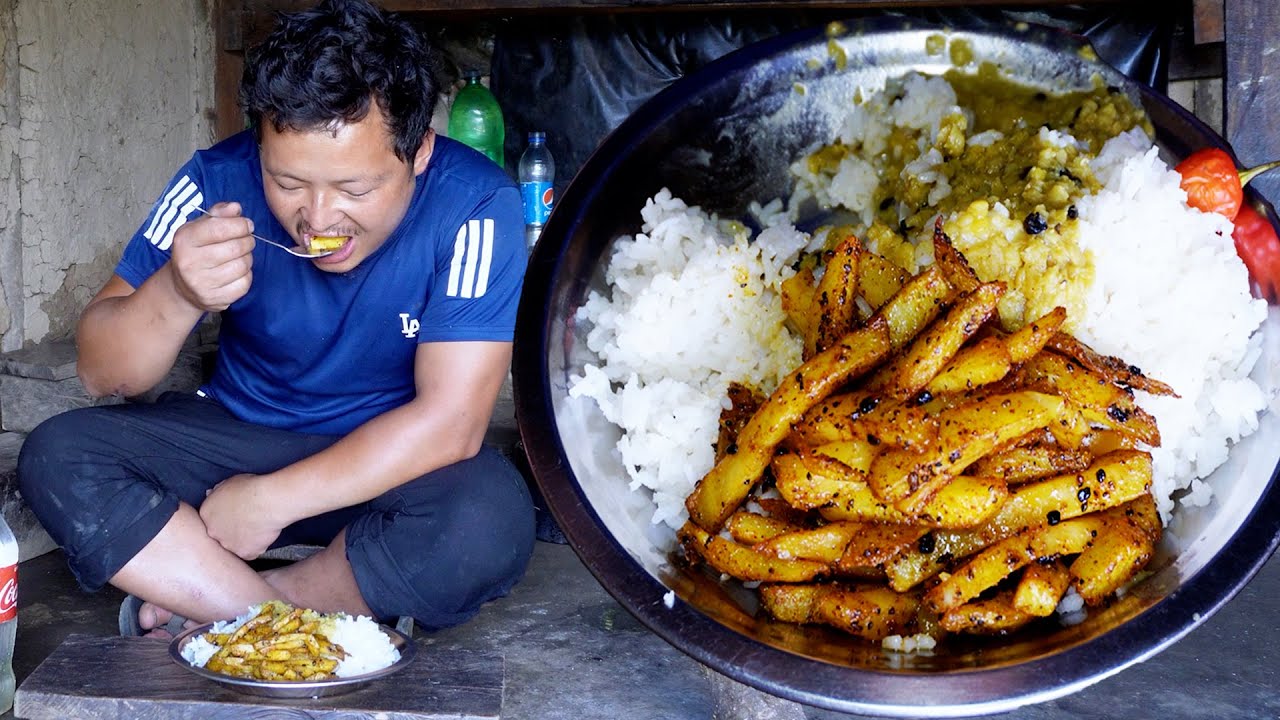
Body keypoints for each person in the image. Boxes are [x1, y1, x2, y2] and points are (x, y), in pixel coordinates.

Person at [17, 0, 534, 637]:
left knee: (488, 516)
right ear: (260, 141)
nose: (318, 219)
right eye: (287, 182)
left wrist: (270, 500)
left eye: (355, 190)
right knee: (57, 453)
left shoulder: (476, 203)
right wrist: (177, 291)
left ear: (420, 152)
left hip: (387, 461)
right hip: (235, 434)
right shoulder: (216, 181)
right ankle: (282, 626)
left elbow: (450, 424)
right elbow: (102, 374)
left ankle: (230, 603)